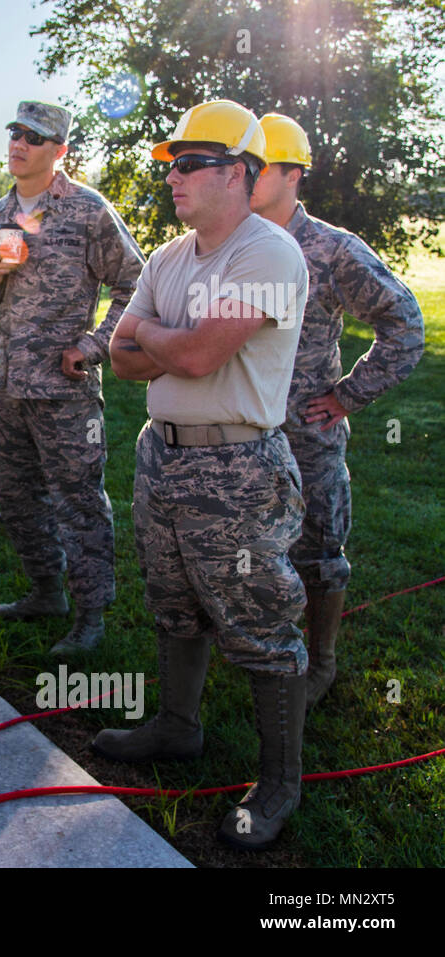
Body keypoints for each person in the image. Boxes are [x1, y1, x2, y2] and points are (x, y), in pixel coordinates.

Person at [92, 100, 310, 850]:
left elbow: (193, 356)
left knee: (258, 621)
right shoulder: (167, 258)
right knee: (173, 601)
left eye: (190, 165)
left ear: (238, 174)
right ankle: (178, 727)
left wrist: (155, 334)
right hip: (164, 454)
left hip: (238, 467)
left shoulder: (269, 254)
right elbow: (120, 360)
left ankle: (280, 782)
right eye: (171, 166)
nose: (173, 179)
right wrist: (162, 336)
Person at [249, 113, 424, 709]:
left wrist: (348, 395)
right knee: (244, 545)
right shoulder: (231, 244)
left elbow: (404, 324)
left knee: (318, 553)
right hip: (239, 434)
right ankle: (260, 646)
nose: (247, 175)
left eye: (261, 165)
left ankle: (319, 662)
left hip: (306, 433)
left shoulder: (331, 247)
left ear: (294, 173)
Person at [0, 101, 146, 656]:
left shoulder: (87, 210)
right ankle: (46, 591)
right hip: (7, 388)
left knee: (78, 501)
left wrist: (95, 345)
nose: (18, 144)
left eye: (34, 137)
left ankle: (92, 615)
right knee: (18, 500)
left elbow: (136, 284)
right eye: (15, 133)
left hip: (64, 391)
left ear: (60, 150)